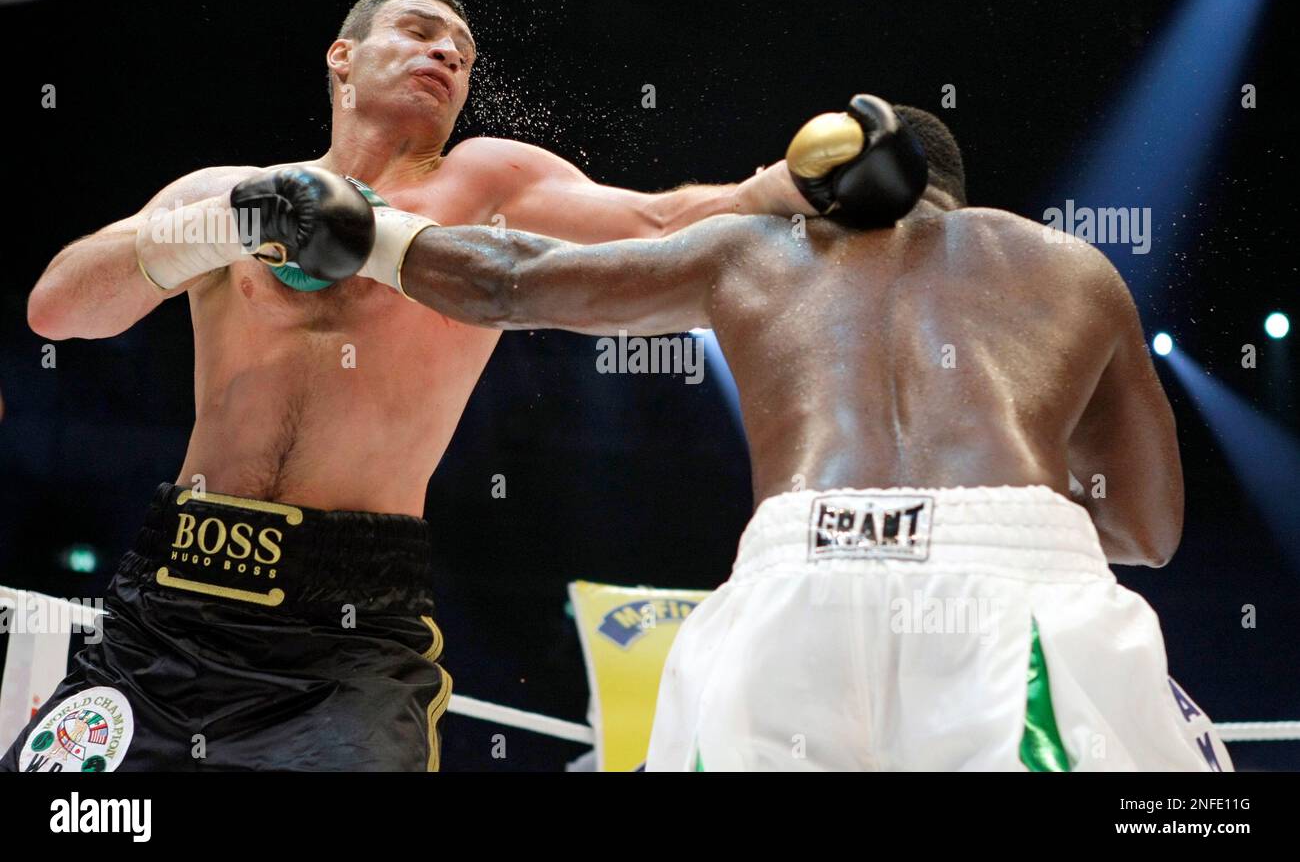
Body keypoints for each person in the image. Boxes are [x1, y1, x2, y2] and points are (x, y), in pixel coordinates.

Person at [7, 0, 821, 773]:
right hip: (170, 603)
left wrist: (795, 186)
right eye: (419, 30)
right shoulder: (224, 194)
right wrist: (228, 222)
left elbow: (659, 221)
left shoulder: (484, 186)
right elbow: (58, 308)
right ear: (343, 57)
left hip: (347, 632)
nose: (445, 53)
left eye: (463, 54)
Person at [329, 97, 1231, 772]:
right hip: (1016, 593)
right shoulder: (1074, 269)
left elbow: (515, 279)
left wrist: (364, 231)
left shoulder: (752, 250)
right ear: (952, 189)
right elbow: (1147, 531)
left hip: (800, 579)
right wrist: (1010, 500)